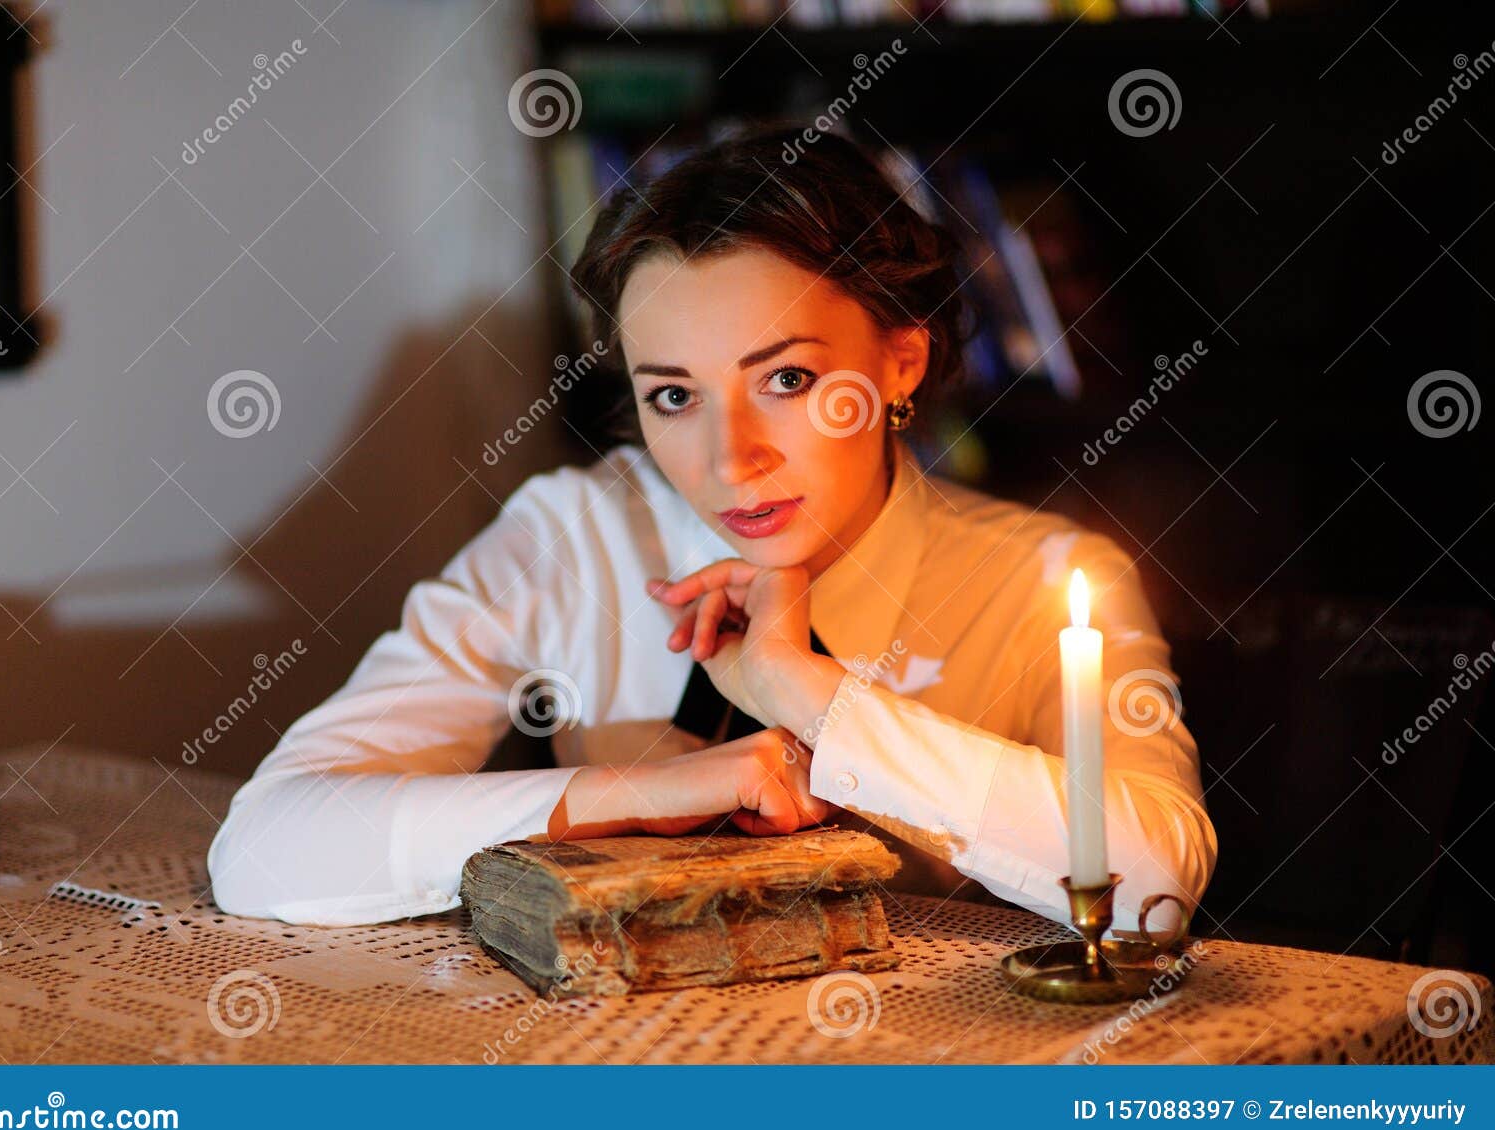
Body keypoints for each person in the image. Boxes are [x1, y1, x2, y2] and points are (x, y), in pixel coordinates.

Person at [206, 125, 1216, 935]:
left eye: (786, 380)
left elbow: (1157, 879)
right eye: (674, 396)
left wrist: (808, 695)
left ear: (899, 366)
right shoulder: (575, 534)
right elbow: (265, 847)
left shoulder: (1045, 577)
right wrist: (634, 793)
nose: (731, 460)